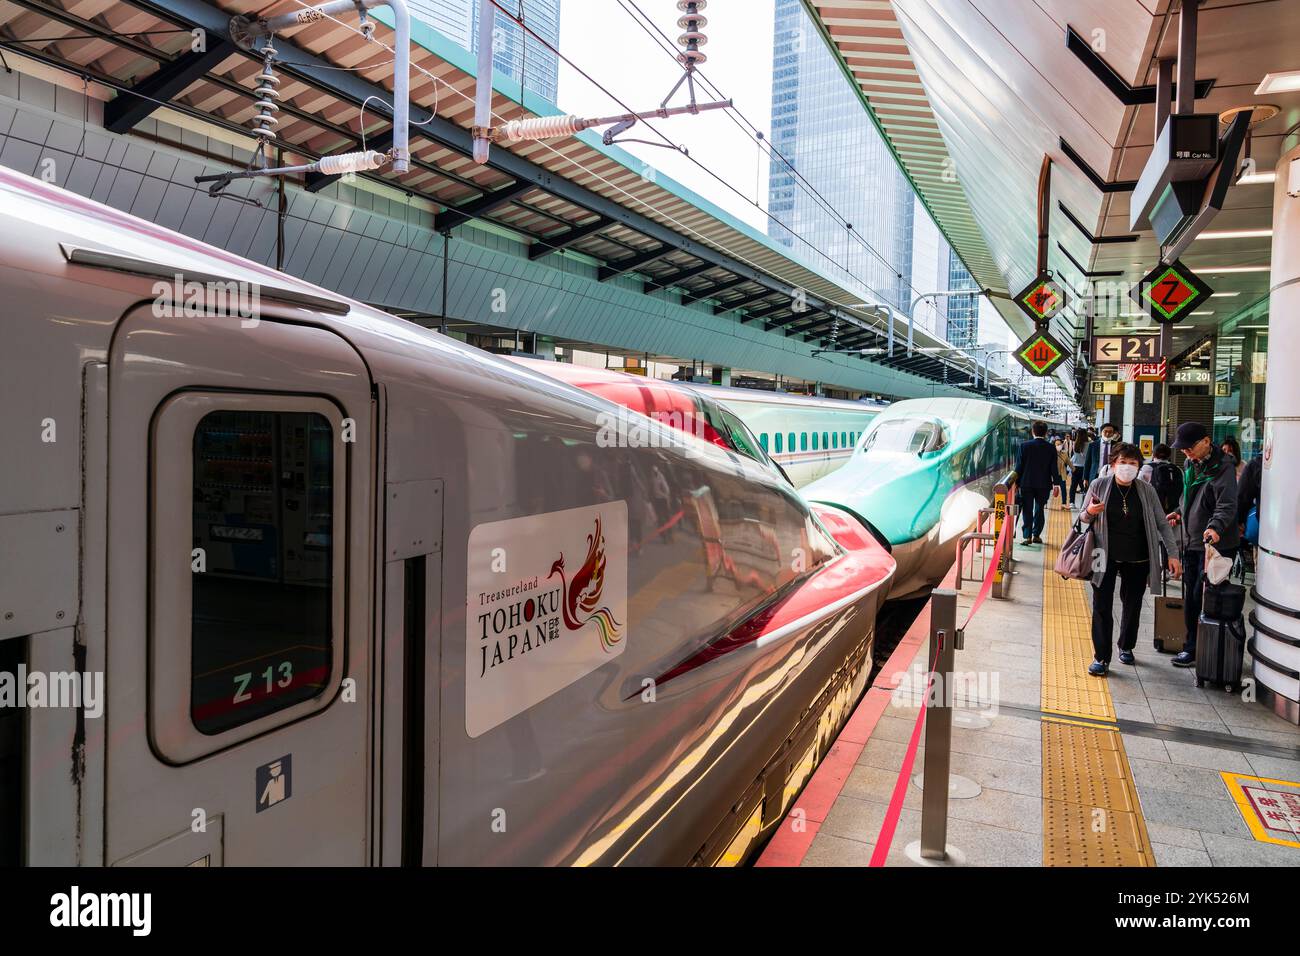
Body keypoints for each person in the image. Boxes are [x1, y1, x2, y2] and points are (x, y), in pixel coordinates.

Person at [1081, 443, 1181, 676]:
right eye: (1122, 462)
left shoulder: (1146, 490)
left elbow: (1162, 524)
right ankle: (1101, 657)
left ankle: (1126, 645)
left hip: (1138, 557)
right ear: (1113, 464)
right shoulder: (1099, 485)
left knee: (1133, 603)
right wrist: (1091, 512)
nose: (1127, 467)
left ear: (1139, 467)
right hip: (1102, 554)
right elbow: (1083, 518)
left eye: (1133, 463)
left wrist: (1173, 554)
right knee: (1101, 604)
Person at [1167, 421, 1240, 668]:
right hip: (1192, 541)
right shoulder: (1190, 464)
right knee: (1191, 596)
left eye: (1189, 447)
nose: (1185, 452)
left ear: (1206, 442)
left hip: (1213, 544)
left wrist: (1216, 527)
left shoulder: (1224, 468)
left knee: (1203, 595)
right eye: (1183, 448)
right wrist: (1179, 512)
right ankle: (1192, 645)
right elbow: (1188, 497)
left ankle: (1201, 647)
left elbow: (1227, 504)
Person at [1014, 420, 1060, 545]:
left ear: (1033, 431)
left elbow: (1019, 467)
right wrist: (1056, 484)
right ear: (1046, 433)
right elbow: (1053, 468)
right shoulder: (1051, 447)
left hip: (1026, 483)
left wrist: (1016, 483)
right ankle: (1037, 535)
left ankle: (1027, 536)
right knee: (1039, 509)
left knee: (1027, 509)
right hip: (1044, 485)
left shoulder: (1024, 446)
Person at [1140, 443, 1182, 515]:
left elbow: (1139, 486)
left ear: (1153, 454)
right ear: (1169, 456)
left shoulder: (1146, 468)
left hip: (1153, 508)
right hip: (1174, 509)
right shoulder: (1178, 469)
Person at [1069, 428, 1091, 507]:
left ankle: (1072, 503)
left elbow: (1073, 455)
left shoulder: (1075, 443)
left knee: (1073, 486)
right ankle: (1084, 504)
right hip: (1085, 467)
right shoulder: (1089, 444)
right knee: (1086, 486)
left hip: (1075, 467)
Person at [1053, 435, 1070, 508]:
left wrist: (1074, 470)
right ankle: (1045, 503)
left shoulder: (1064, 454)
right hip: (1053, 475)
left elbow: (1069, 463)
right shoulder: (1051, 454)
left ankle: (1064, 503)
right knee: (1048, 489)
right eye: (1057, 444)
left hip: (1062, 475)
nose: (1058, 446)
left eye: (1060, 444)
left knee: (1063, 489)